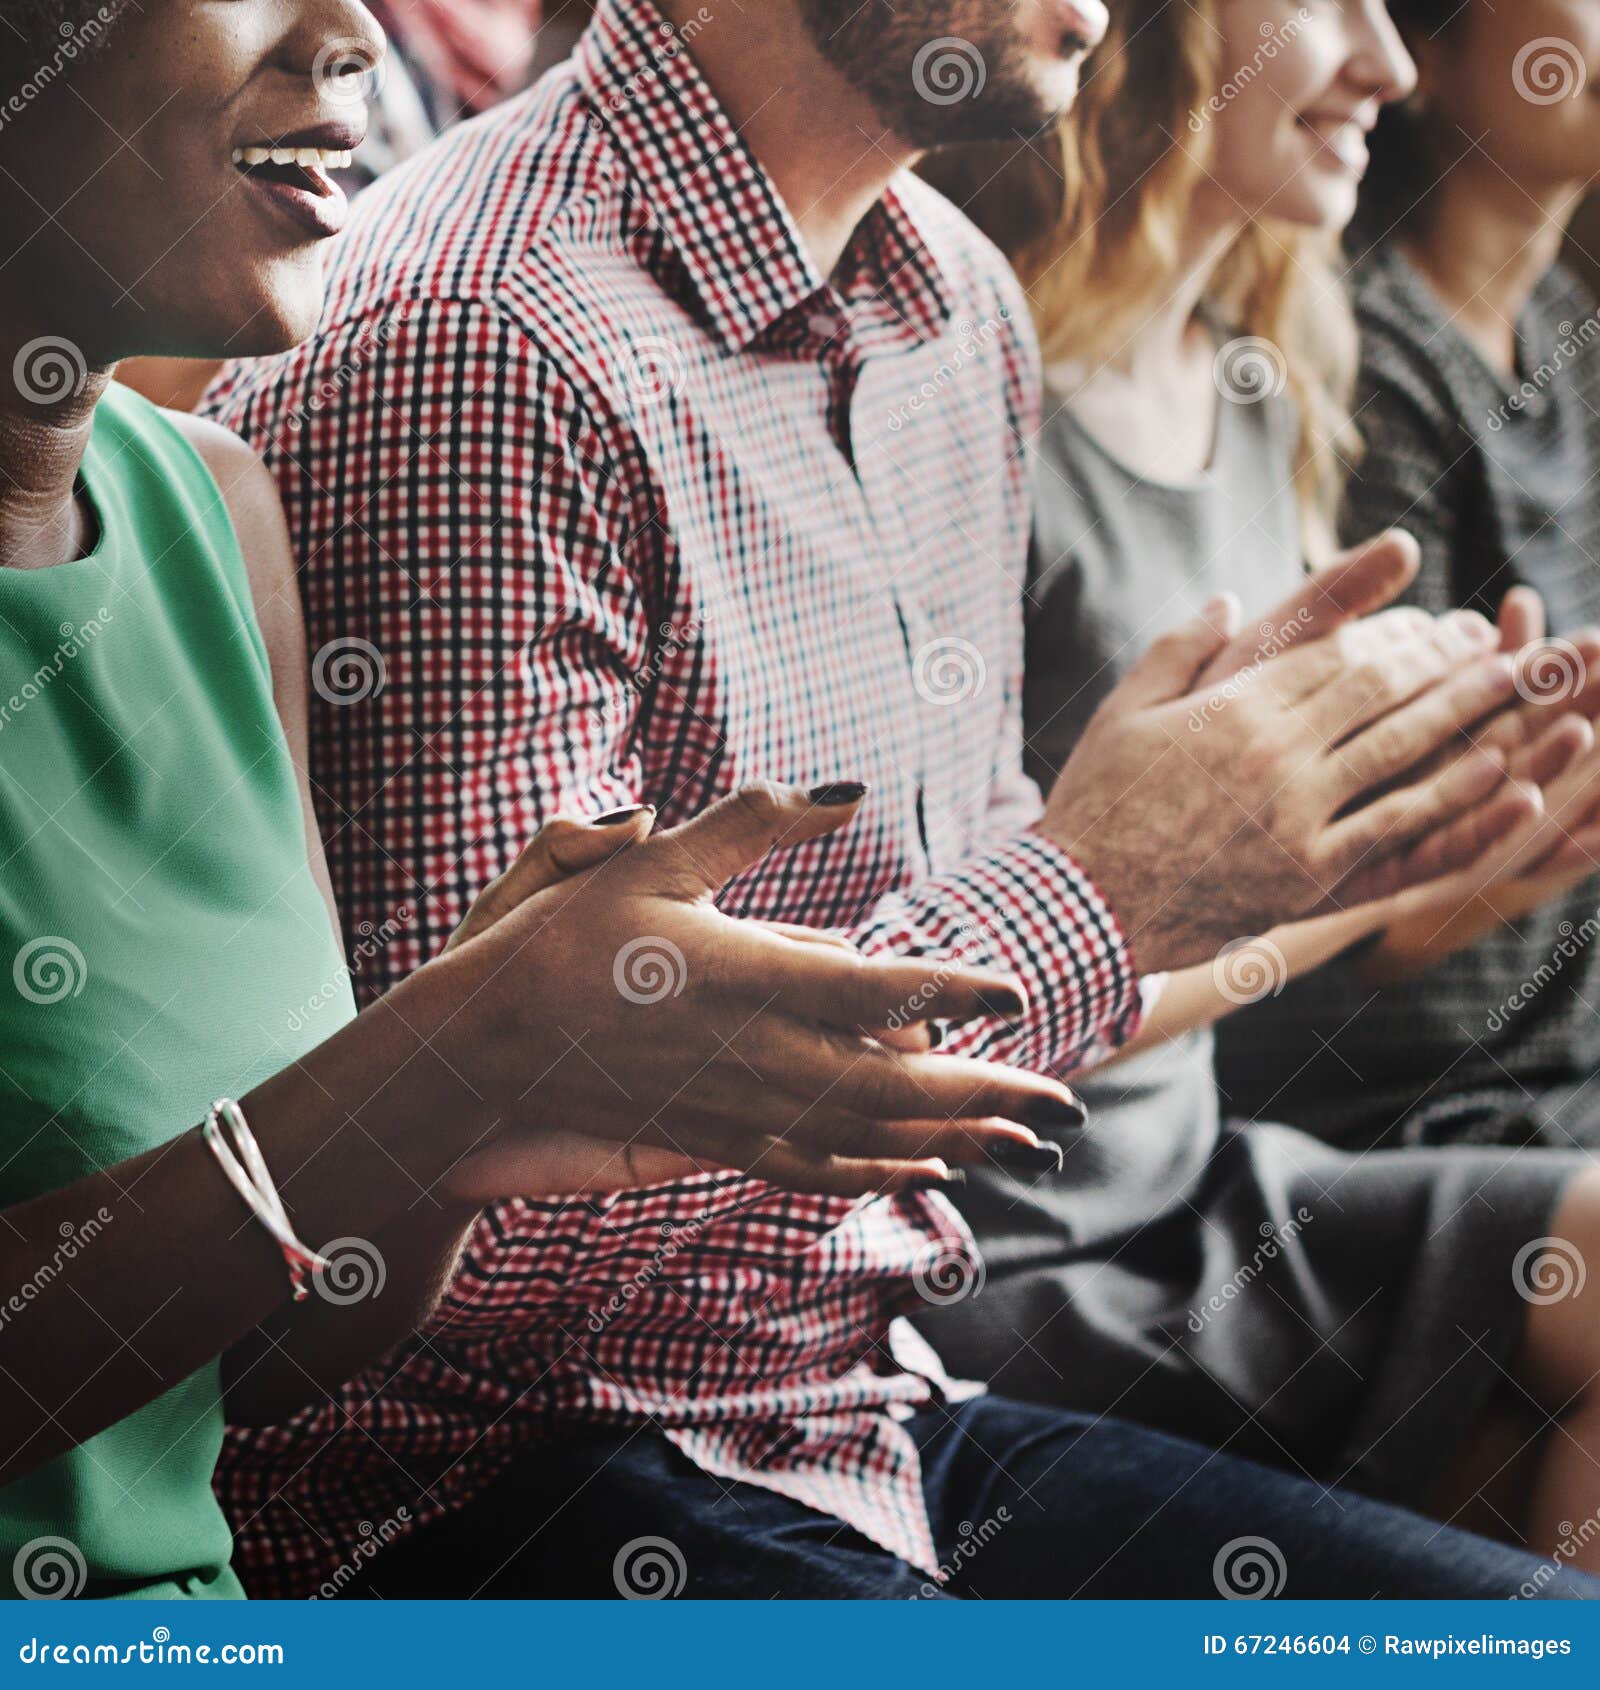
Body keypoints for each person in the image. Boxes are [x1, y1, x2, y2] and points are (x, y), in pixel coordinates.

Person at [203, 0, 1600, 1599]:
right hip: (485, 1473)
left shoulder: (956, 298)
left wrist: (1294, 840)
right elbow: (434, 1243)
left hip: (857, 1395)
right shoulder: (483, 336)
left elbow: (980, 929)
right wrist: (1106, 879)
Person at [0, 0, 1074, 1601]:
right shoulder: (481, 322)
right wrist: (445, 1055)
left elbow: (252, 1376)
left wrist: (459, 1116)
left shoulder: (212, 519)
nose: (349, 36)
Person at [915, 0, 1600, 1578]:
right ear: (1163, 34)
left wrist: (1481, 849)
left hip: (1206, 1184)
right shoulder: (974, 400)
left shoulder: (1263, 382)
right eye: (1327, 5)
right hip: (1003, 1250)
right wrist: (1343, 887)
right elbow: (977, 995)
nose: (1393, 63)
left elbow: (1343, 938)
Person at [1215, 0, 1600, 1155]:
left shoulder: (1561, 330)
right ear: (1428, 56)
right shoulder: (1358, 360)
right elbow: (1377, 889)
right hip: (1429, 1095)